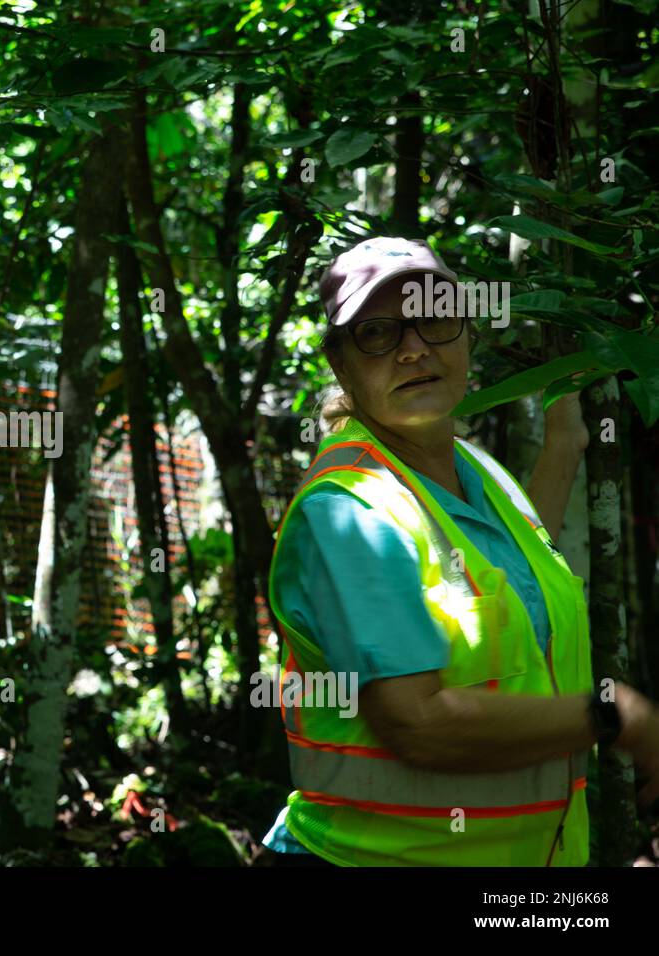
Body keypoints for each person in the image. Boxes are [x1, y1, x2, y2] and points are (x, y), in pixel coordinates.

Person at [255, 236, 659, 866]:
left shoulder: (473, 469)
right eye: (377, 333)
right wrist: (614, 717)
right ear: (340, 363)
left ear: (467, 333)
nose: (414, 347)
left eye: (435, 318)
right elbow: (421, 725)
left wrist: (565, 443)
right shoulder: (349, 511)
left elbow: (519, 569)